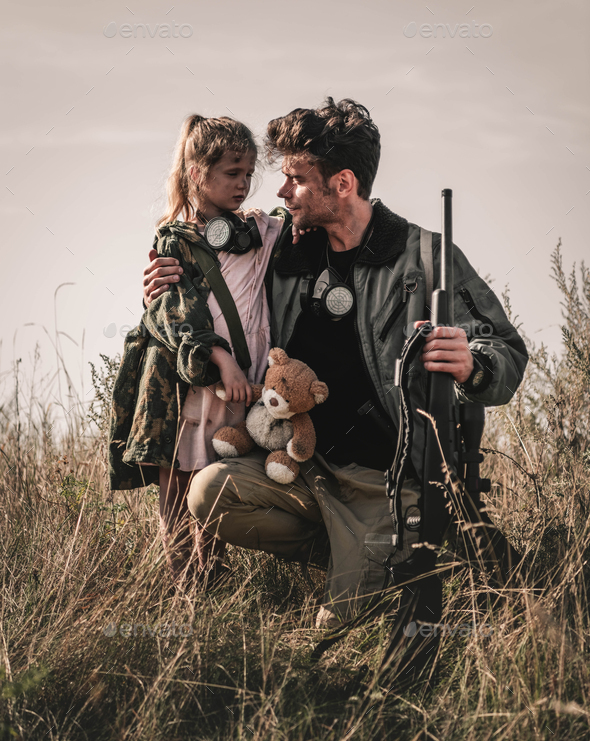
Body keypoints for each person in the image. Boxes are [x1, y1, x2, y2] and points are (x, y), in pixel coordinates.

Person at [141, 98, 528, 627]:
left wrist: (471, 362)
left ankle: (382, 549)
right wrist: (164, 284)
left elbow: (505, 350)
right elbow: (212, 259)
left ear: (342, 183)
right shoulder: (285, 250)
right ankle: (356, 552)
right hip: (303, 466)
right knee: (212, 491)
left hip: (382, 479)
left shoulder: (425, 256)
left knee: (335, 629)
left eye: (295, 178)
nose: (280, 191)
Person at [109, 113, 284, 586]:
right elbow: (178, 311)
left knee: (214, 478)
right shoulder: (175, 240)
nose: (244, 183)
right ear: (196, 174)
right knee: (179, 480)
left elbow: (294, 221)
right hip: (189, 386)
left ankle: (215, 581)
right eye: (232, 173)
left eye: (249, 173)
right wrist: (221, 358)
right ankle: (184, 583)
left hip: (237, 391)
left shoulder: (256, 233)